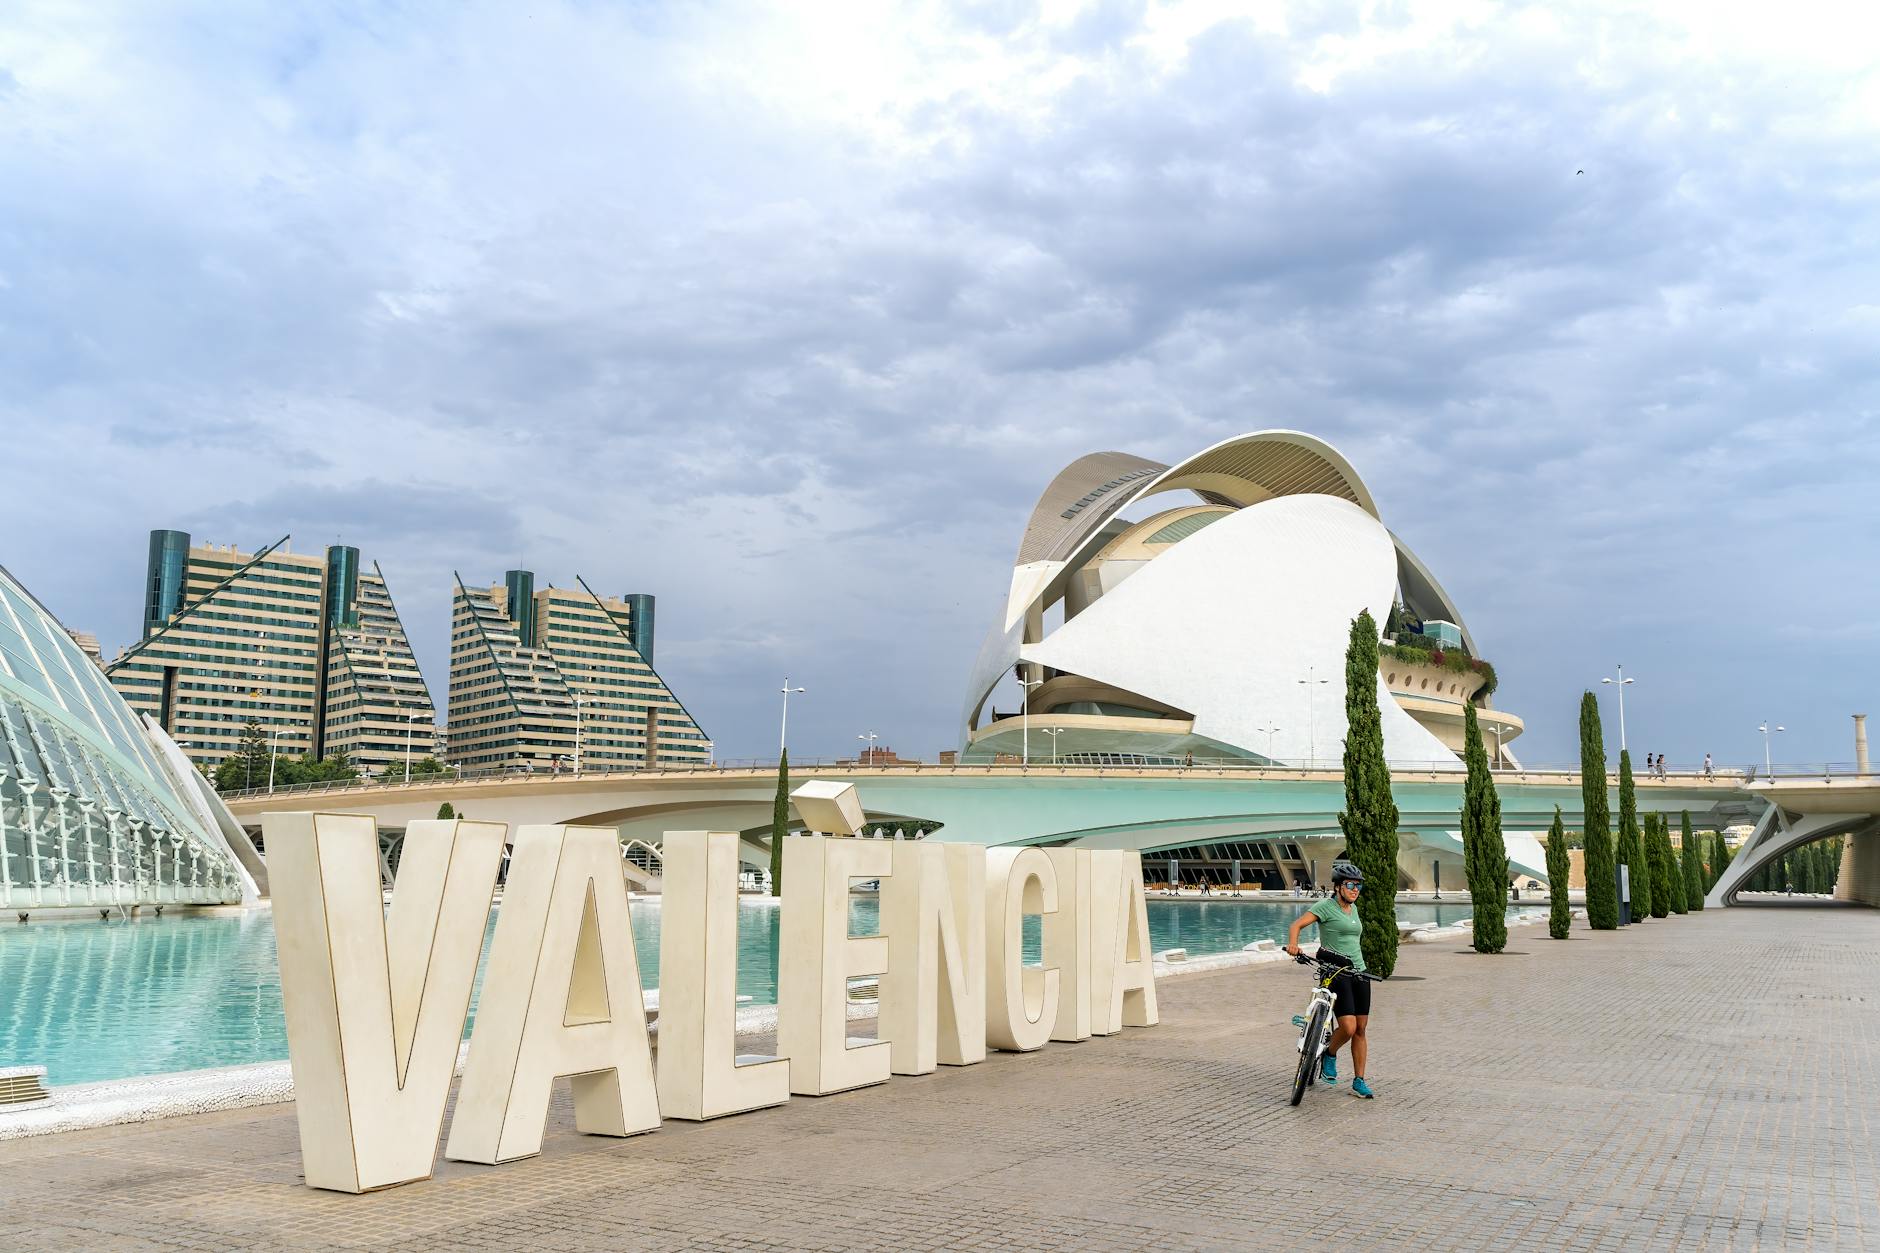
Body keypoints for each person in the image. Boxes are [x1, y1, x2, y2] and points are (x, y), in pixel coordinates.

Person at [1286, 860, 1375, 1099]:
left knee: (1361, 1029)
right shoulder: (1325, 906)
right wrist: (1294, 945)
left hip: (1360, 972)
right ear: (1337, 887)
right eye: (1350, 885)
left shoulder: (1354, 909)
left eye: (1358, 886)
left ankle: (1359, 1080)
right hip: (1336, 972)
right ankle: (1330, 1053)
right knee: (1348, 1027)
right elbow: (1297, 925)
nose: (1355, 890)